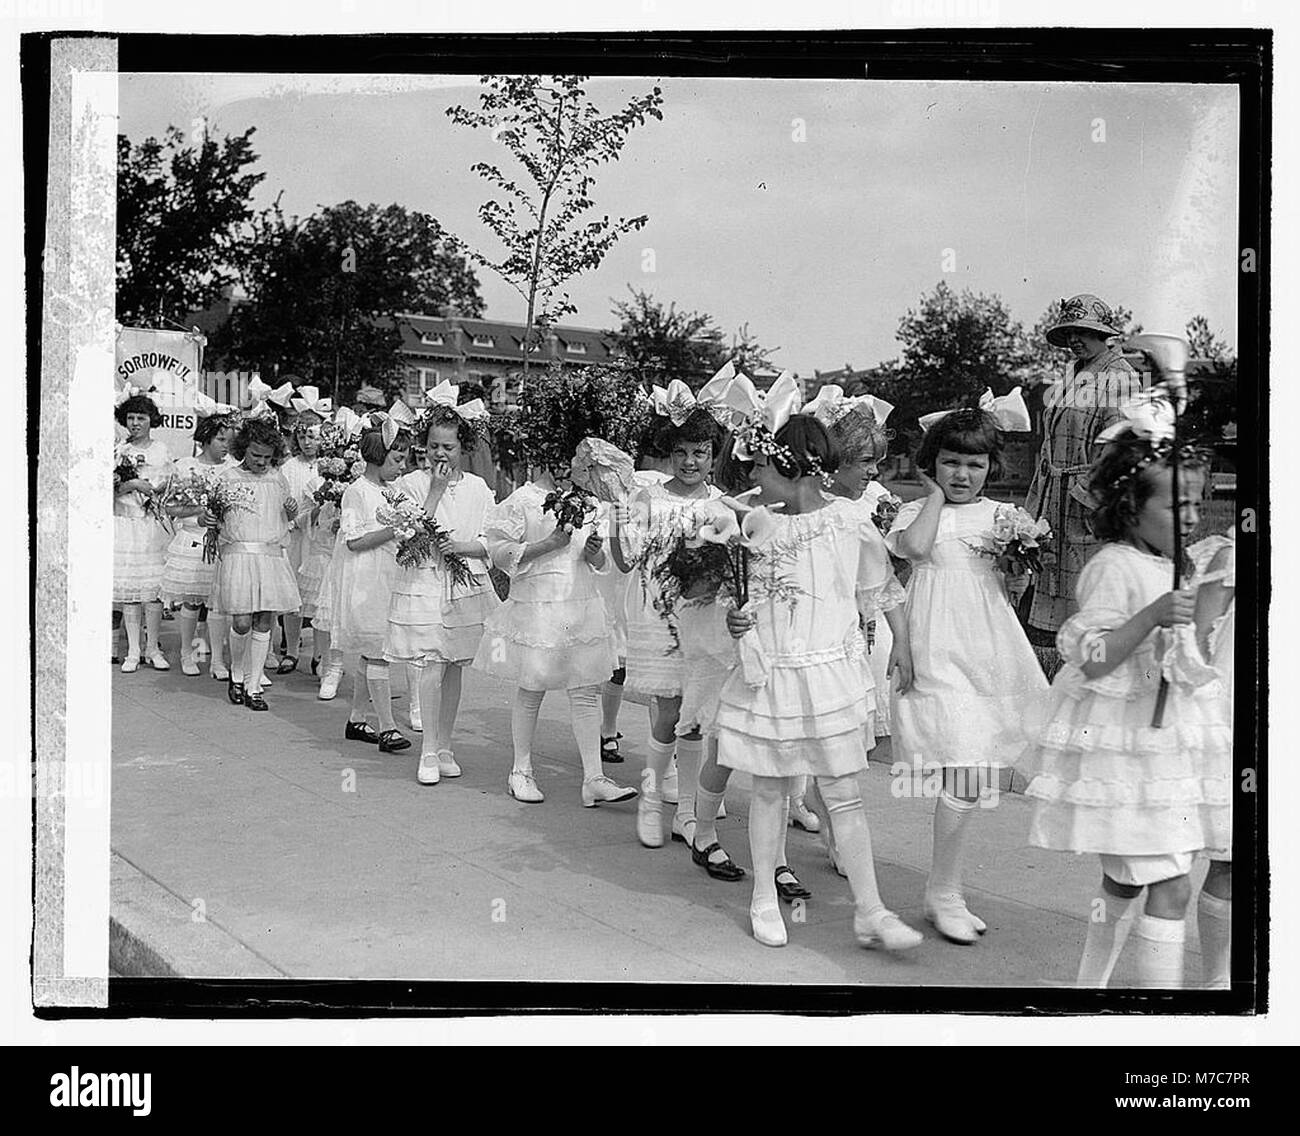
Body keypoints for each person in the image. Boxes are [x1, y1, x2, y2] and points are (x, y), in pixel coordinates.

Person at [1021, 423, 1229, 988]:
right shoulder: (1113, 565)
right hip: (1126, 751)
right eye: (1176, 503)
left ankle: (1090, 989)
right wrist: (1152, 616)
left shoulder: (1168, 565)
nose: (1191, 516)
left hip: (1159, 753)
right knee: (1171, 885)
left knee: (1128, 884)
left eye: (1197, 502)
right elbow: (1091, 656)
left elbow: (1180, 657)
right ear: (1130, 505)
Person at [717, 412, 922, 952]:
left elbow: (878, 586)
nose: (754, 477)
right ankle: (764, 895)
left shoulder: (848, 521)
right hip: (776, 671)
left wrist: (901, 641)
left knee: (844, 792)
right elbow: (741, 600)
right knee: (770, 788)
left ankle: (871, 910)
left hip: (830, 669)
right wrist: (736, 619)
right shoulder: (757, 524)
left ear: (794, 471)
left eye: (761, 466)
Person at [886, 404, 1048, 945]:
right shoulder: (913, 513)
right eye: (950, 463)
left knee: (973, 769)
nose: (962, 475)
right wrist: (931, 496)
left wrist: (1018, 570)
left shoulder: (1003, 517)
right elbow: (912, 552)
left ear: (990, 468)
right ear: (932, 466)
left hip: (988, 648)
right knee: (960, 762)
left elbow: (1011, 587)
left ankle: (944, 889)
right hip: (935, 648)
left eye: (974, 465)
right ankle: (944, 892)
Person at [473, 453, 638, 809]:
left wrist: (593, 552)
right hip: (538, 607)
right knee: (532, 687)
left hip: (578, 604)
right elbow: (499, 552)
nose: (571, 467)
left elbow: (600, 563)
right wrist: (548, 544)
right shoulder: (525, 499)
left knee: (585, 691)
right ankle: (521, 769)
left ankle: (594, 777)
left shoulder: (589, 503)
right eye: (566, 457)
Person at [612, 400, 725, 849]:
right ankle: (652, 799)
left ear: (713, 454)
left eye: (700, 452)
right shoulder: (649, 498)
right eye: (681, 452)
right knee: (669, 715)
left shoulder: (721, 506)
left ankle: (688, 814)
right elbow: (628, 559)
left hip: (704, 621)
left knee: (696, 718)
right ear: (668, 454)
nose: (690, 462)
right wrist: (618, 519)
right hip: (661, 616)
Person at [1023, 294, 1142, 676]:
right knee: (1052, 587)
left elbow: (1123, 444)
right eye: (1070, 332)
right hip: (1053, 495)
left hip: (1086, 500)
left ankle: (1094, 678)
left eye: (1085, 332)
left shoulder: (1120, 375)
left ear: (1104, 334)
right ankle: (1061, 678)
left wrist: (1086, 495)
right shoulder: (1074, 372)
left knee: (1089, 588)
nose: (1076, 339)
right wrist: (1035, 505)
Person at [386, 403, 498, 785]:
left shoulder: (478, 488)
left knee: (453, 667)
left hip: (463, 583)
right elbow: (406, 541)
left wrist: (464, 547)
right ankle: (429, 749)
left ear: (461, 447)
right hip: (425, 582)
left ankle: (446, 745)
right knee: (431, 663)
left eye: (447, 447)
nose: (439, 454)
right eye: (433, 445)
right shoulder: (409, 485)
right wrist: (433, 490)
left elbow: (492, 539)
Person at [317, 425, 413, 753]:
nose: (403, 466)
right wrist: (395, 528)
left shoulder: (393, 488)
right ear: (377, 456)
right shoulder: (357, 490)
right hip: (365, 579)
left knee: (374, 649)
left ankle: (357, 719)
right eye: (398, 458)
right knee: (379, 651)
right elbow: (355, 540)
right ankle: (387, 727)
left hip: (387, 574)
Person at [203, 415, 302, 711]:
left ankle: (254, 683)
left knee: (263, 620)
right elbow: (214, 517)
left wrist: (291, 510)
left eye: (267, 457)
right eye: (255, 455)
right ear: (243, 448)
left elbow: (286, 517)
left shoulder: (277, 478)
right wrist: (207, 521)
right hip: (239, 555)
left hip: (269, 557)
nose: (261, 462)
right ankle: (237, 674)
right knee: (242, 620)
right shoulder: (229, 478)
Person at [1187, 528, 1235, 989]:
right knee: (1230, 857)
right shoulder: (1233, 555)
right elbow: (1197, 641)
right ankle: (1217, 982)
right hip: (1232, 720)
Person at [159, 411, 233, 674]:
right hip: (192, 539)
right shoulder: (185, 466)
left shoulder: (232, 468)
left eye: (228, 440)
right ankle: (187, 654)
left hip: (222, 540)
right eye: (221, 439)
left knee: (217, 602)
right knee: (192, 600)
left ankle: (216, 660)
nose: (226, 445)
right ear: (206, 439)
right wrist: (197, 512)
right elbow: (170, 506)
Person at [112, 394, 174, 672]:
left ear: (152, 421)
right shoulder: (118, 449)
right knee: (131, 589)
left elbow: (166, 485)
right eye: (131, 418)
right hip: (126, 523)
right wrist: (133, 482)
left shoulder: (160, 449)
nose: (135, 423)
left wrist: (151, 487)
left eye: (141, 418)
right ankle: (133, 651)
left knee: (152, 590)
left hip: (150, 524)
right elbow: (110, 487)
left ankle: (153, 648)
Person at [277, 389, 331, 674]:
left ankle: (321, 655)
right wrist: (290, 512)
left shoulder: (331, 468)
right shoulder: (289, 467)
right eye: (302, 436)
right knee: (293, 597)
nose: (307, 442)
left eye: (313, 435)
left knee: (321, 597)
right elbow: (284, 504)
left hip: (321, 541)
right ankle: (292, 649)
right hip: (296, 538)